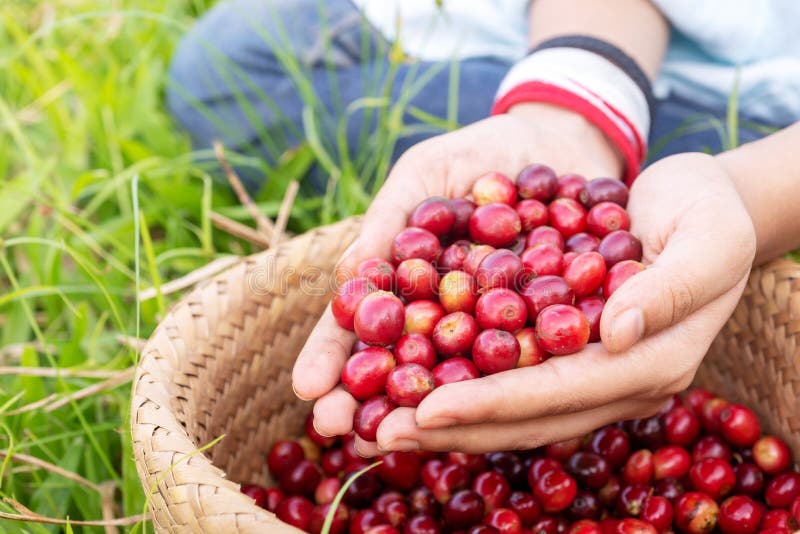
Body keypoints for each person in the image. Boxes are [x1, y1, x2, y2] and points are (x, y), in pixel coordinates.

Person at [168, 0, 800, 456]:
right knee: (218, 75)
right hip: (566, 25)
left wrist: (747, 193)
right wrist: (572, 105)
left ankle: (682, 144)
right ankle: (609, 114)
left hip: (769, 108)